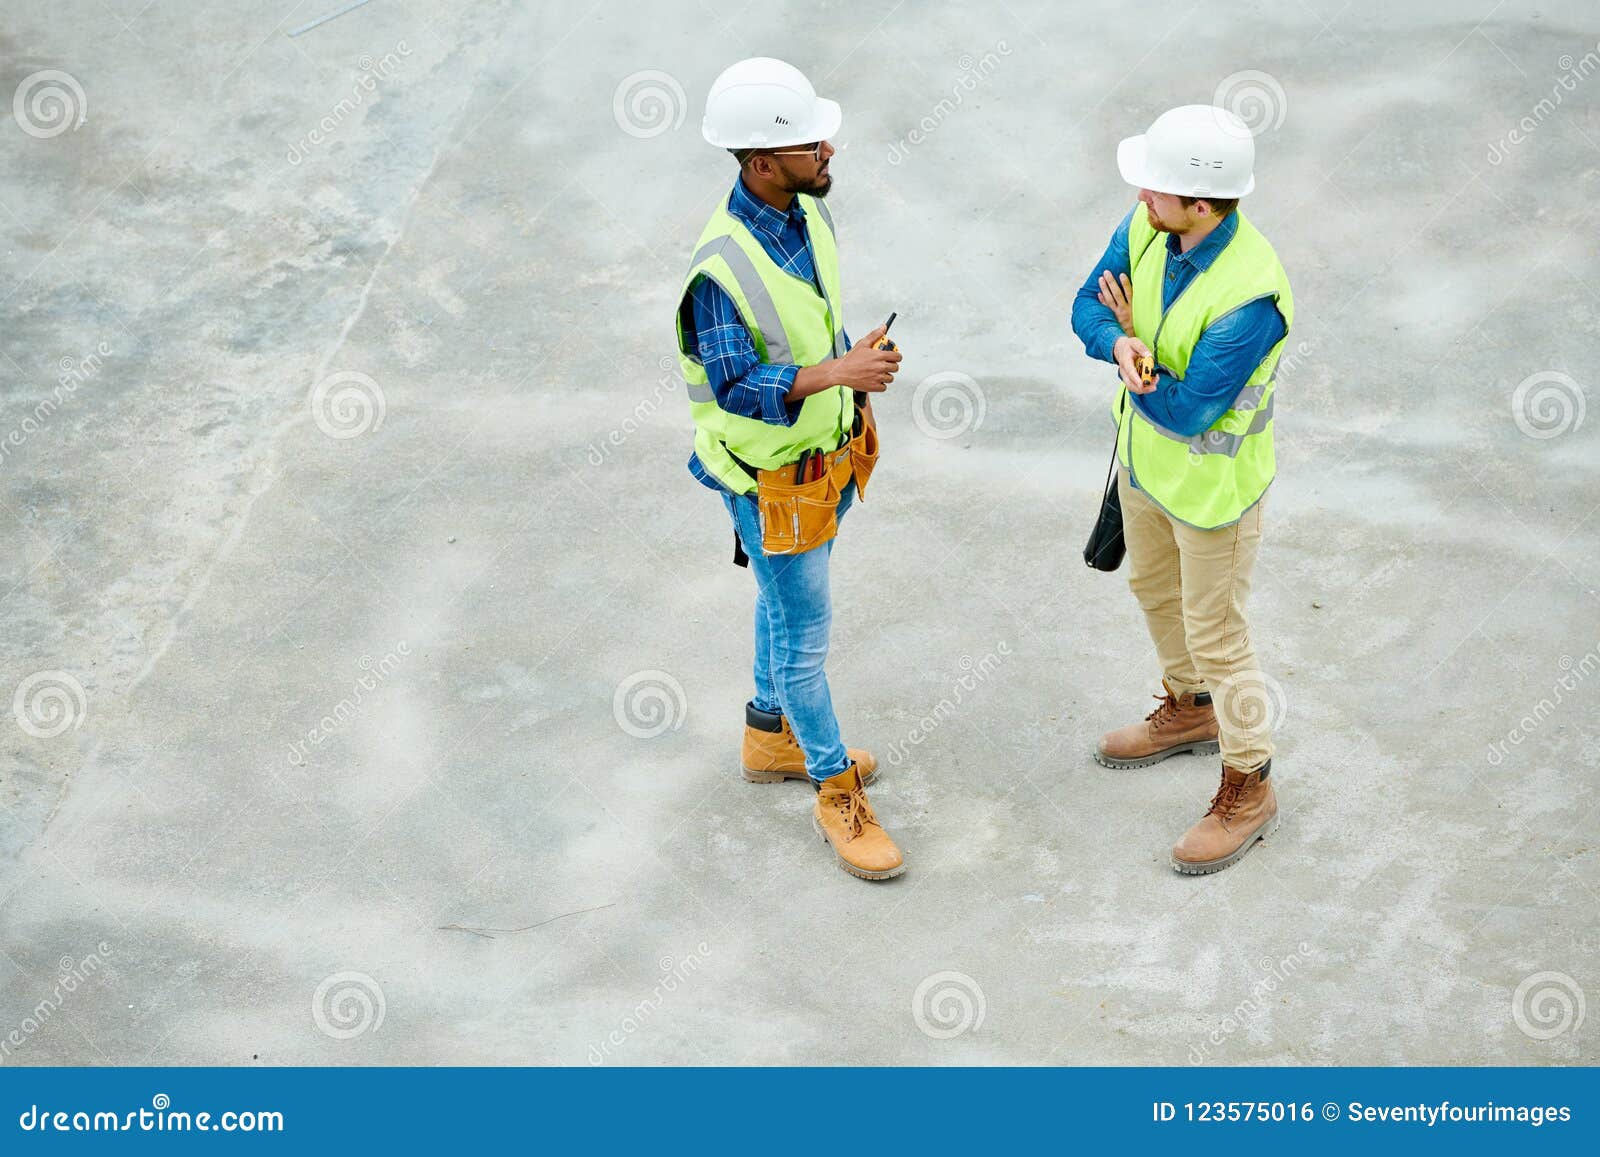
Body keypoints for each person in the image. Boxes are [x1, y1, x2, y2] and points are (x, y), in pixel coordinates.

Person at [674, 58, 906, 880]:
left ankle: (768, 733)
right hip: (770, 479)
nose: (830, 148)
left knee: (781, 606)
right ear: (762, 162)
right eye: (813, 142)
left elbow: (802, 334)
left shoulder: (805, 217)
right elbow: (736, 386)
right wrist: (839, 377)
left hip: (821, 465)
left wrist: (850, 357)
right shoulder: (721, 271)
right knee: (806, 637)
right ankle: (833, 787)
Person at [1071, 105, 1295, 875]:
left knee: (1220, 637)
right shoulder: (1151, 227)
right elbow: (1083, 307)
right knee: (1151, 591)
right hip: (1146, 469)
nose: (1139, 200)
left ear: (1201, 205)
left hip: (1215, 496)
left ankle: (1250, 782)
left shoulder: (1249, 300)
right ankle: (1190, 711)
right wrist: (1121, 339)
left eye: (1155, 192)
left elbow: (1191, 407)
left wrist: (1139, 371)